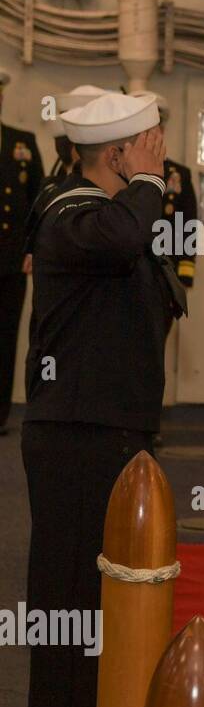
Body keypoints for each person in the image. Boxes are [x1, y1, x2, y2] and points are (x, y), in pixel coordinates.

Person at [22, 92, 186, 707]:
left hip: (115, 435)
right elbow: (119, 240)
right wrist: (147, 185)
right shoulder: (67, 210)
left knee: (107, 617)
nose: (158, 157)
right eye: (146, 145)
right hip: (75, 442)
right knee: (70, 619)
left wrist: (150, 193)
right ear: (117, 153)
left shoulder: (118, 214)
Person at [0, 66, 44, 435]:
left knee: (5, 337)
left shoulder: (22, 143)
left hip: (10, 261)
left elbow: (37, 204)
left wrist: (32, 248)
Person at [130, 91, 198, 287]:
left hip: (164, 274)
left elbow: (188, 226)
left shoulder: (179, 175)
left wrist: (184, 274)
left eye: (154, 129)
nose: (149, 136)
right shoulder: (117, 170)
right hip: (124, 273)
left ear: (162, 132)